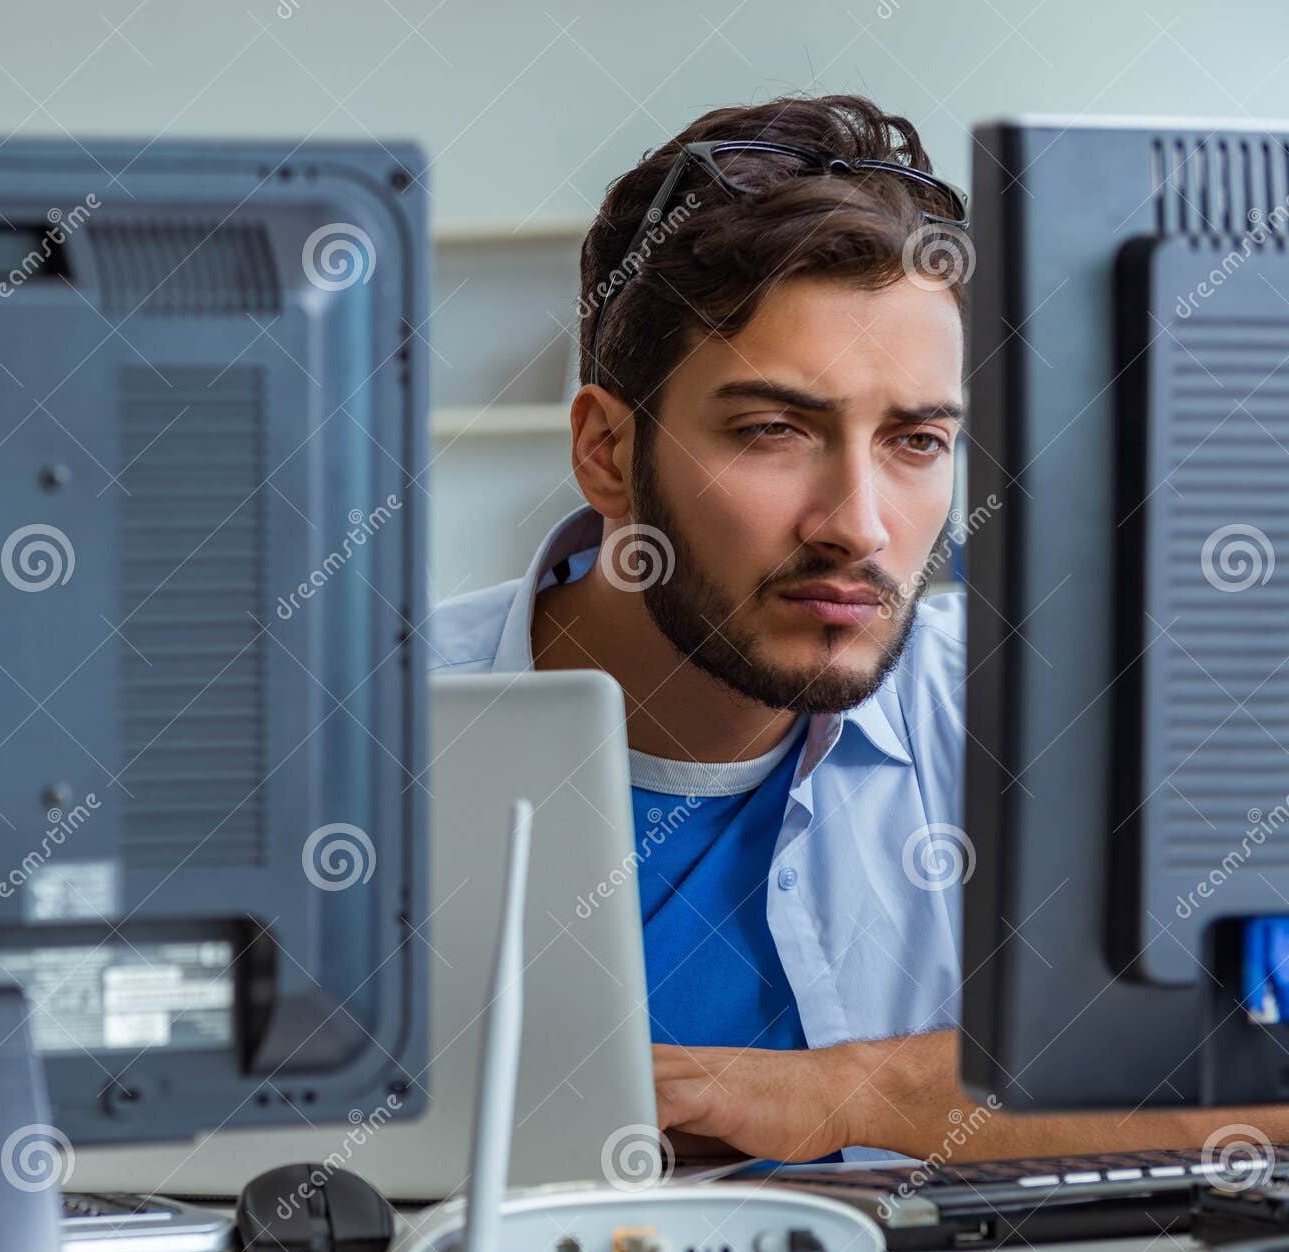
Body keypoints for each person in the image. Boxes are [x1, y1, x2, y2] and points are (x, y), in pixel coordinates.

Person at [427, 94, 1288, 1163]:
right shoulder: (360, 732)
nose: (859, 527)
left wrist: (850, 1095)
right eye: (773, 431)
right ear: (606, 451)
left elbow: (1264, 1075)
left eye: (916, 441)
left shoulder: (1054, 707)